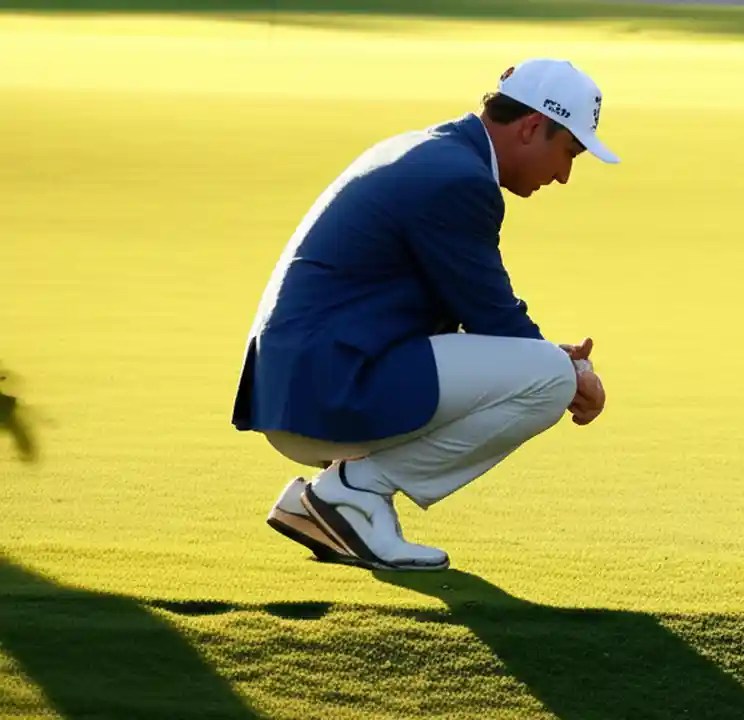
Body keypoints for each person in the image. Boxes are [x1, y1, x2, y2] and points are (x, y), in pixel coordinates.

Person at [232, 58, 617, 571]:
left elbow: (477, 312)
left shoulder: (430, 151)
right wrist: (570, 370)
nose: (565, 175)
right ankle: (353, 493)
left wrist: (545, 355)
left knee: (545, 366)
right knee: (550, 379)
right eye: (568, 151)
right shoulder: (458, 179)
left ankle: (342, 499)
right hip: (327, 390)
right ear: (530, 127)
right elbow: (493, 316)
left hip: (302, 384)